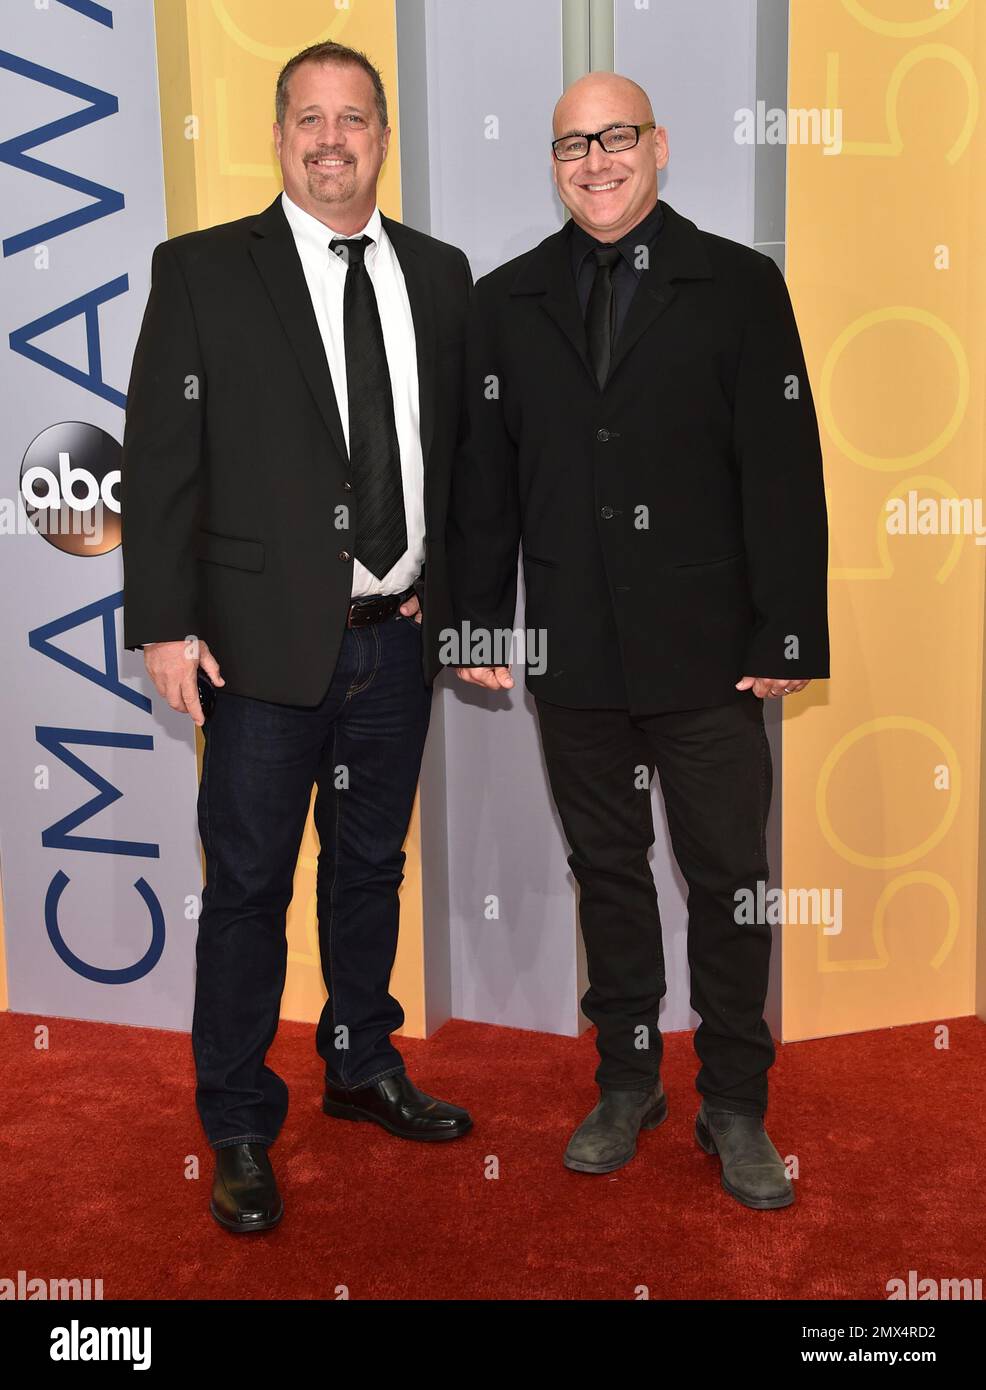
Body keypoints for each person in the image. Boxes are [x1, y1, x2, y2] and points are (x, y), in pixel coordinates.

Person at [448, 72, 829, 1210]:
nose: (594, 159)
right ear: (553, 162)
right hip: (575, 655)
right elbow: (484, 485)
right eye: (572, 144)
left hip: (714, 654)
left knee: (729, 880)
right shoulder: (504, 300)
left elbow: (783, 468)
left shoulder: (739, 287)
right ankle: (625, 1080)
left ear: (657, 146)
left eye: (614, 137)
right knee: (604, 872)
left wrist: (789, 628)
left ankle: (733, 1102)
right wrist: (474, 615)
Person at [121, 41, 474, 1234]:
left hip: (397, 640)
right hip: (257, 650)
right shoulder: (205, 270)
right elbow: (164, 465)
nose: (333, 140)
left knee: (370, 868)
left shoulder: (440, 273)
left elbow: (458, 463)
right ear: (278, 137)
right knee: (250, 887)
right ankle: (234, 1119)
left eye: (355, 119)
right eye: (310, 120)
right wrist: (162, 623)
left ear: (382, 137)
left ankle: (361, 1062)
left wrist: (454, 594)